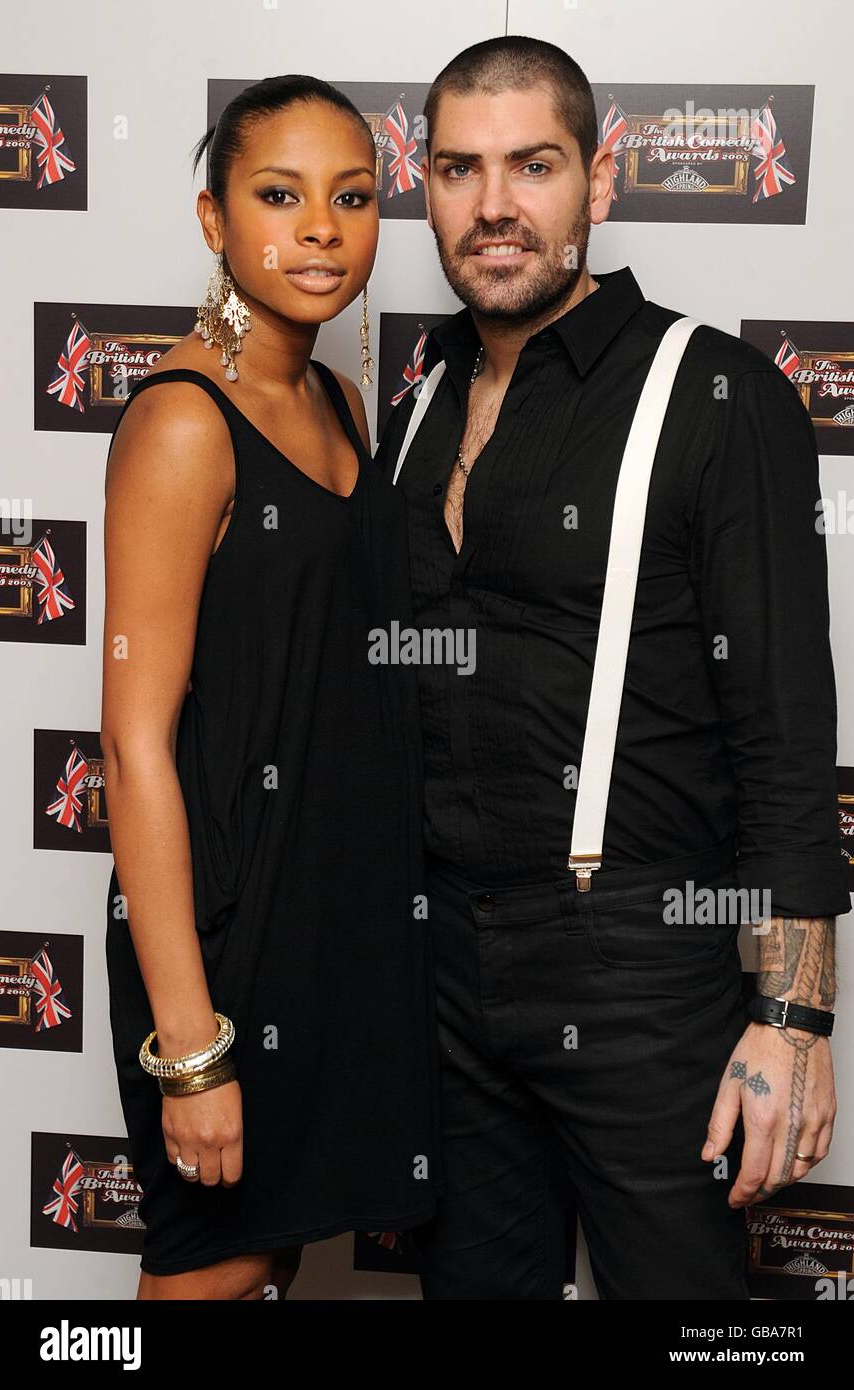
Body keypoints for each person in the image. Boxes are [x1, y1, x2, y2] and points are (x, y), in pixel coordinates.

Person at [374, 36, 845, 1300]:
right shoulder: (416, 407)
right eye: (463, 170)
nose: (496, 206)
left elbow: (787, 737)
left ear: (602, 175)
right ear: (426, 184)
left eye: (534, 165)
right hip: (444, 968)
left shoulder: (718, 396)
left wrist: (795, 1022)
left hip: (639, 963)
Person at [102, 74, 442, 1301]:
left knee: (276, 1266)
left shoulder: (340, 405)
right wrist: (190, 1049)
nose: (320, 229)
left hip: (335, 923)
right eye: (278, 195)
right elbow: (135, 747)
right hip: (225, 938)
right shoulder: (183, 422)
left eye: (352, 198)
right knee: (218, 1267)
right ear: (213, 221)